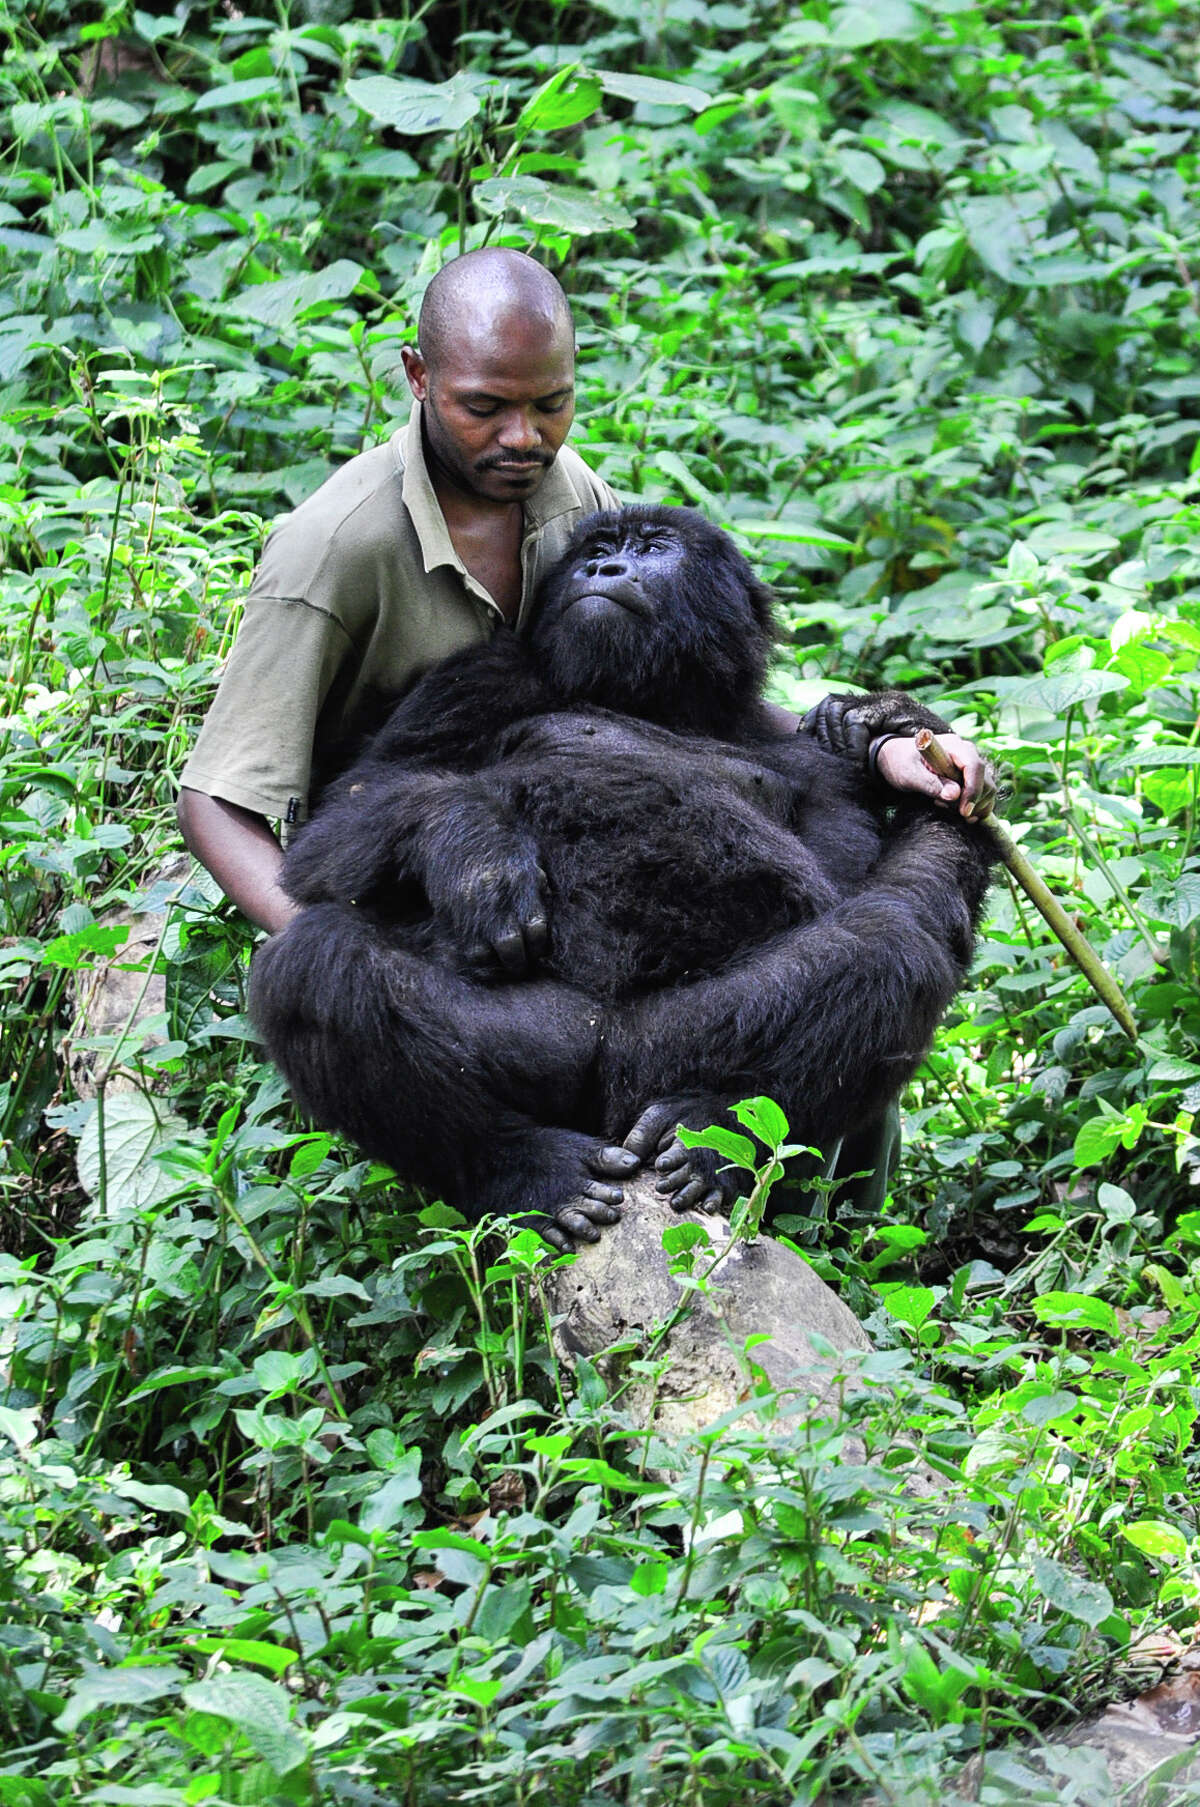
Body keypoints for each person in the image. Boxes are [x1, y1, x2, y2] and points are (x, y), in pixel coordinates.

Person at [177, 246, 989, 1211]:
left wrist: (898, 747)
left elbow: (738, 718)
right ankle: (504, 1166)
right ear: (420, 377)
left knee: (910, 913)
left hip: (719, 1024)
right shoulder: (387, 591)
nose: (523, 437)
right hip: (509, 1014)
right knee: (309, 963)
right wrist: (444, 836)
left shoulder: (567, 501)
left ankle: (779, 1175)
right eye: (485, 407)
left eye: (548, 405)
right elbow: (306, 825)